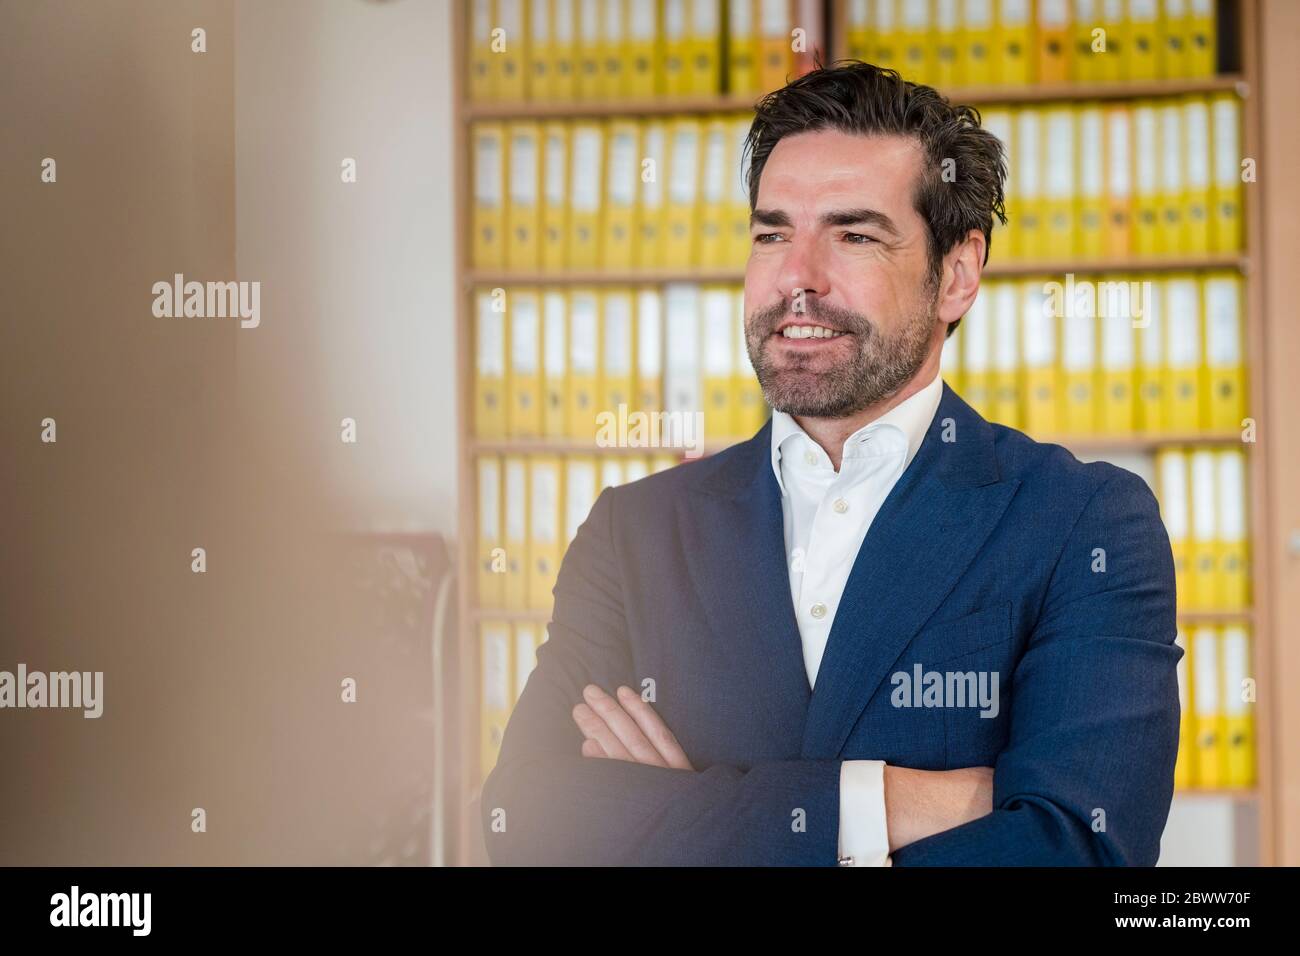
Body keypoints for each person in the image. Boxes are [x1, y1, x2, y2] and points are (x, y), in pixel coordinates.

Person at [481, 61, 1180, 866]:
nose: (796, 279)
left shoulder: (1083, 522)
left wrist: (681, 818)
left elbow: (1078, 848)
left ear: (956, 274)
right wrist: (885, 803)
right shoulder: (632, 532)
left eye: (853, 235)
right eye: (772, 232)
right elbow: (524, 823)